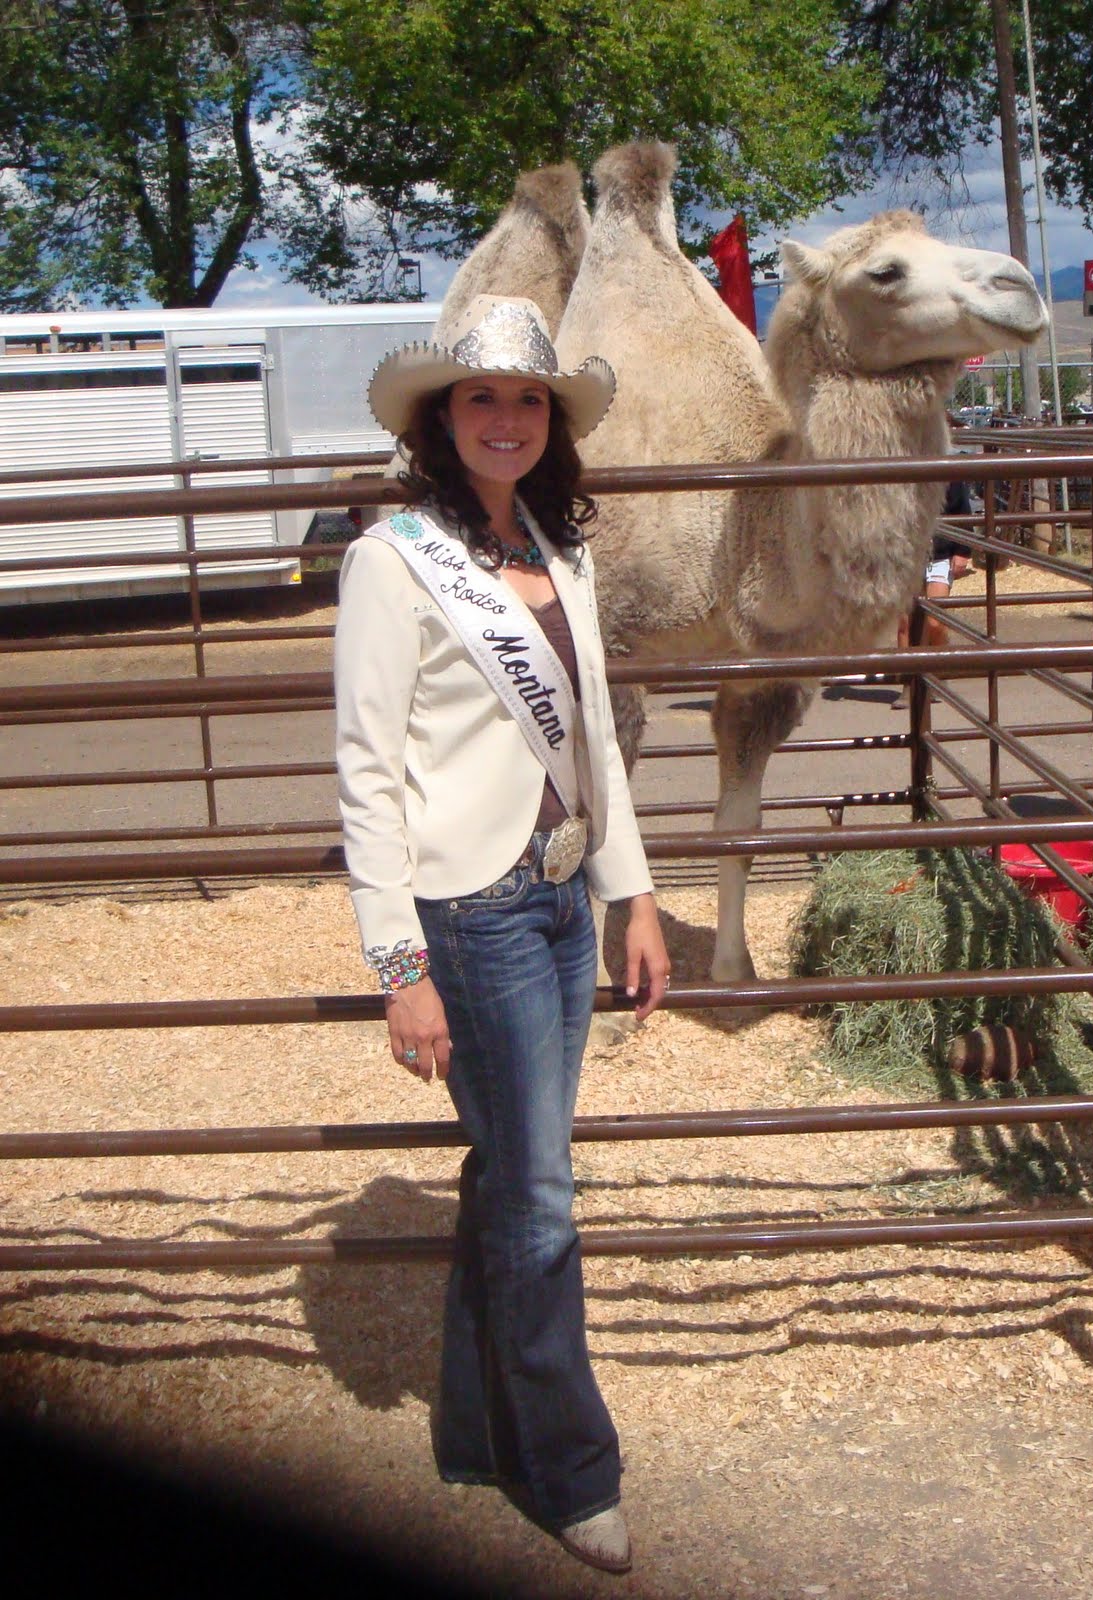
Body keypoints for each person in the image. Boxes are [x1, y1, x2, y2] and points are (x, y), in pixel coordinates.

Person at [334, 295, 670, 1576]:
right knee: (538, 1194)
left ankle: (476, 1432)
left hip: (556, 892)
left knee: (506, 1174)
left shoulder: (555, 553)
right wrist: (397, 965)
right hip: (467, 913)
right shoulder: (391, 558)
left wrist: (631, 894)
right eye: (480, 398)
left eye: (526, 400)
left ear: (550, 422)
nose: (505, 418)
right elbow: (367, 775)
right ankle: (570, 1469)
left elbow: (593, 744)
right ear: (439, 416)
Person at [893, 478, 975, 708]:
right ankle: (909, 684)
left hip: (939, 556)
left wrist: (962, 550)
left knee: (935, 621)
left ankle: (938, 675)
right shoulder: (900, 474)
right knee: (905, 623)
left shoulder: (949, 476)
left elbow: (962, 511)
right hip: (907, 557)